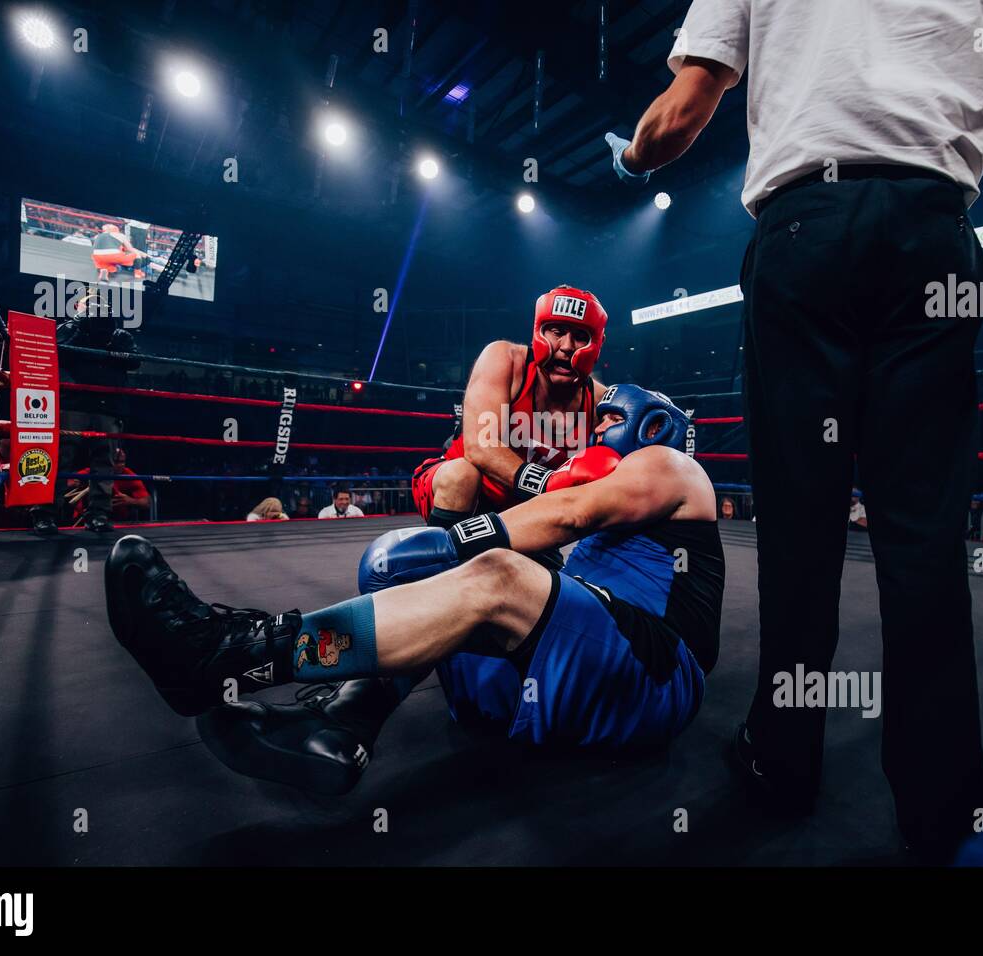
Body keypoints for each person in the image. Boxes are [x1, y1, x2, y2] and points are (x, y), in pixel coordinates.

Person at [605, 0, 983, 862]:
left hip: (808, 232)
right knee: (925, 540)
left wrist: (632, 156)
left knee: (802, 531)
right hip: (933, 234)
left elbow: (685, 110)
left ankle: (782, 761)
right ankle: (943, 810)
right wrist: (923, 180)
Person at [104, 386, 723, 794]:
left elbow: (572, 514)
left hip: (656, 681)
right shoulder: (610, 511)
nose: (598, 430)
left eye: (611, 420)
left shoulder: (671, 465)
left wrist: (459, 541)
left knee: (498, 573)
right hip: (539, 699)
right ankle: (347, 722)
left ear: (654, 424)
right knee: (422, 575)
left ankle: (233, 654)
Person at [411, 285, 610, 532]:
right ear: (537, 332)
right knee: (461, 476)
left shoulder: (601, 401)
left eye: (580, 336)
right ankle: (436, 559)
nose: (567, 346)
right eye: (556, 332)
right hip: (465, 491)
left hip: (524, 512)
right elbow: (480, 447)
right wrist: (549, 483)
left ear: (598, 345)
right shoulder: (506, 360)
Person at [31, 289, 139, 536]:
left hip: (106, 406)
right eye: (89, 305)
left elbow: (134, 360)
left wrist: (107, 343)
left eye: (99, 304)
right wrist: (81, 325)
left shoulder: (119, 334)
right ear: (79, 308)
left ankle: (98, 514)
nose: (95, 308)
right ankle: (45, 514)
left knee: (104, 462)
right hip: (73, 404)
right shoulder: (70, 329)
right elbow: (57, 352)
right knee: (59, 460)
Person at [70, 447, 150, 523]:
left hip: (118, 521)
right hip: (85, 519)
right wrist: (78, 483)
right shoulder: (94, 472)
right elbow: (68, 482)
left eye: (123, 461)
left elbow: (147, 503)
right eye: (116, 461)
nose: (121, 465)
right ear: (108, 461)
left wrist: (130, 501)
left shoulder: (129, 475)